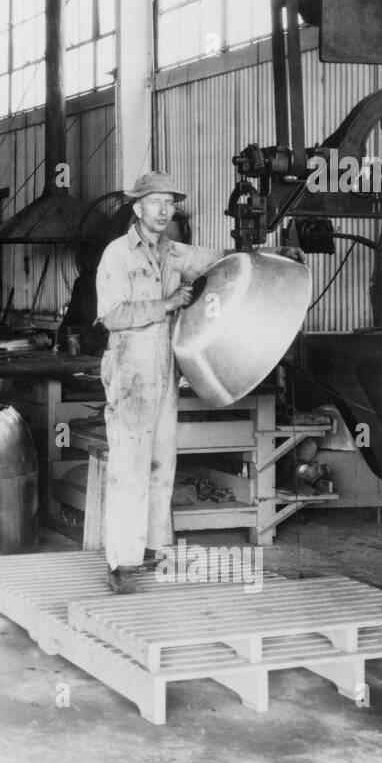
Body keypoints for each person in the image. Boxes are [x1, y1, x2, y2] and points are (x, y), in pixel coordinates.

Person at [95, 172, 303, 595]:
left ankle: (154, 548)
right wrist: (168, 303)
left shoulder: (174, 252)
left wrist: (273, 253)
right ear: (137, 208)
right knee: (128, 468)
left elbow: (222, 261)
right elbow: (112, 315)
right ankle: (121, 562)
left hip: (164, 369)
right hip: (130, 365)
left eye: (169, 203)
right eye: (155, 202)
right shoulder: (117, 255)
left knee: (161, 463)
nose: (163, 210)